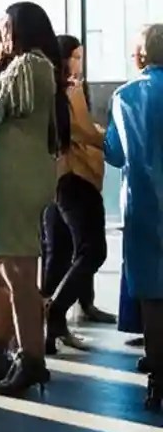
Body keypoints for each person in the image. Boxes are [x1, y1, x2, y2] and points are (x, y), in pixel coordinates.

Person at [0, 2, 68, 398]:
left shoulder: (30, 66)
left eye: (6, 27)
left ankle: (31, 357)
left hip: (15, 175)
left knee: (16, 270)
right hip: (6, 173)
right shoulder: (31, 66)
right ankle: (0, 346)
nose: (2, 35)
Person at [105, 23, 163, 411]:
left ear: (141, 55)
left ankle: (158, 379)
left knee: (153, 297)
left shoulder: (125, 96)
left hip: (144, 204)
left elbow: (114, 153)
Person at [40, 34, 109, 354]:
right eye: (75, 57)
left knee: (59, 254)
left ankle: (50, 331)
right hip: (75, 178)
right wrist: (109, 137)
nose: (79, 64)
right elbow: (82, 132)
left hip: (57, 179)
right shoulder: (68, 91)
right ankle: (53, 311)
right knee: (93, 251)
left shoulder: (52, 88)